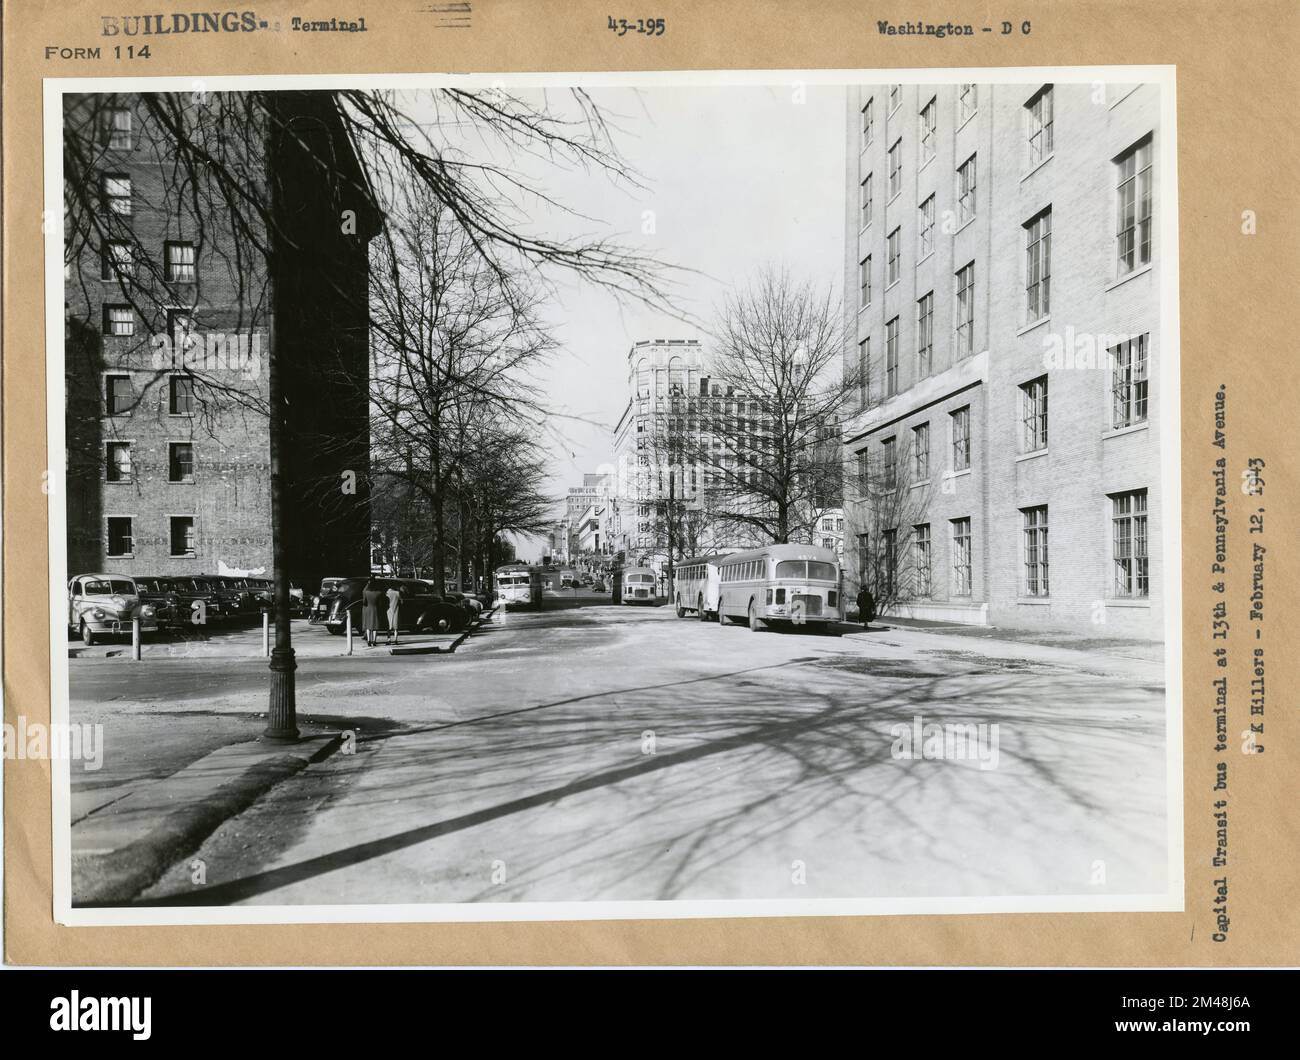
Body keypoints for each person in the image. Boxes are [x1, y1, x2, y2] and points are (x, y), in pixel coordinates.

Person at [362, 578, 386, 647]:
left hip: (368, 609)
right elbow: (380, 603)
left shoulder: (366, 592)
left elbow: (364, 602)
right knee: (375, 626)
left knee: (368, 626)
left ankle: (369, 641)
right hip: (375, 609)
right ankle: (374, 641)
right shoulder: (379, 593)